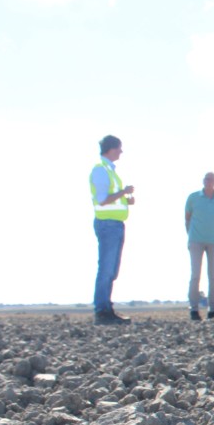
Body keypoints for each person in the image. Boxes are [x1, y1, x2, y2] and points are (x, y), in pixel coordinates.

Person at [89, 135, 136, 325]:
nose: (121, 152)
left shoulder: (109, 170)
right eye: (119, 148)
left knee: (111, 270)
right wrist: (124, 193)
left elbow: (110, 199)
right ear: (111, 149)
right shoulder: (101, 170)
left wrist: (125, 200)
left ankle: (107, 308)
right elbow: (102, 199)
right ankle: (102, 311)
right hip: (107, 225)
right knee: (106, 268)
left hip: (115, 224)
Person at [185, 171, 214, 321]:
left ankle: (213, 309)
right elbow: (187, 218)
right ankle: (194, 309)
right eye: (206, 179)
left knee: (213, 276)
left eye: (211, 180)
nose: (208, 182)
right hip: (196, 240)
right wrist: (190, 236)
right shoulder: (193, 198)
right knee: (195, 275)